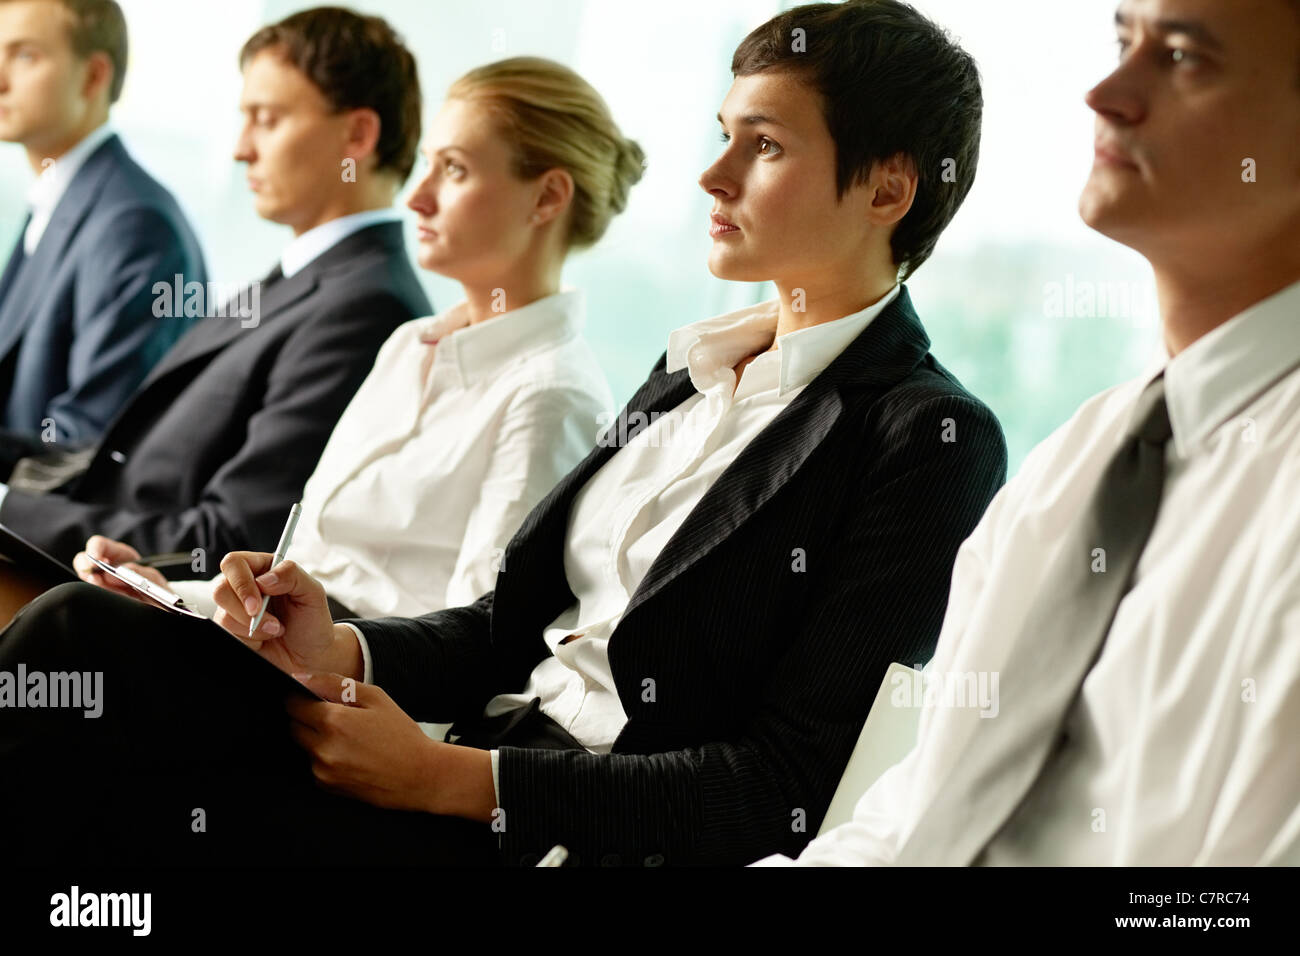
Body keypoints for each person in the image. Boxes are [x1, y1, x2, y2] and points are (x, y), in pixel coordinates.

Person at [0, 0, 1006, 867]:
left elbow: (782, 784)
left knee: (89, 679)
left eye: (766, 145)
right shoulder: (691, 370)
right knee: (86, 651)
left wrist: (453, 779)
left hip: (541, 823)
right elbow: (501, 625)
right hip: (457, 753)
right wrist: (340, 643)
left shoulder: (924, 435)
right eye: (724, 135)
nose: (713, 175)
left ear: (887, 189)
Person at [756, 0, 1300, 867]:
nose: (1105, 92)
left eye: (1184, 57)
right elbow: (912, 822)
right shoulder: (1080, 462)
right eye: (1123, 41)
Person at [73, 57, 633, 623]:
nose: (417, 197)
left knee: (69, 620)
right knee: (85, 607)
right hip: (280, 648)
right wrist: (169, 593)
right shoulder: (409, 345)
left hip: (342, 670)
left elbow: (475, 640)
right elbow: (307, 566)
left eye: (455, 169)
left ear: (547, 198)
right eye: (427, 165)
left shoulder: (550, 397)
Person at [0, 7, 430, 568]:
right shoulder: (303, 279)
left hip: (114, 599)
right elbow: (112, 458)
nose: (240, 148)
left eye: (267, 120)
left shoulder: (365, 308)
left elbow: (234, 541)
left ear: (358, 135)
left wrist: (7, 509)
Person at [0, 0, 206, 466]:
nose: (0, 79)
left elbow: (87, 445)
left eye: (25, 55)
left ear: (94, 77)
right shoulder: (56, 198)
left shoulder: (134, 225)